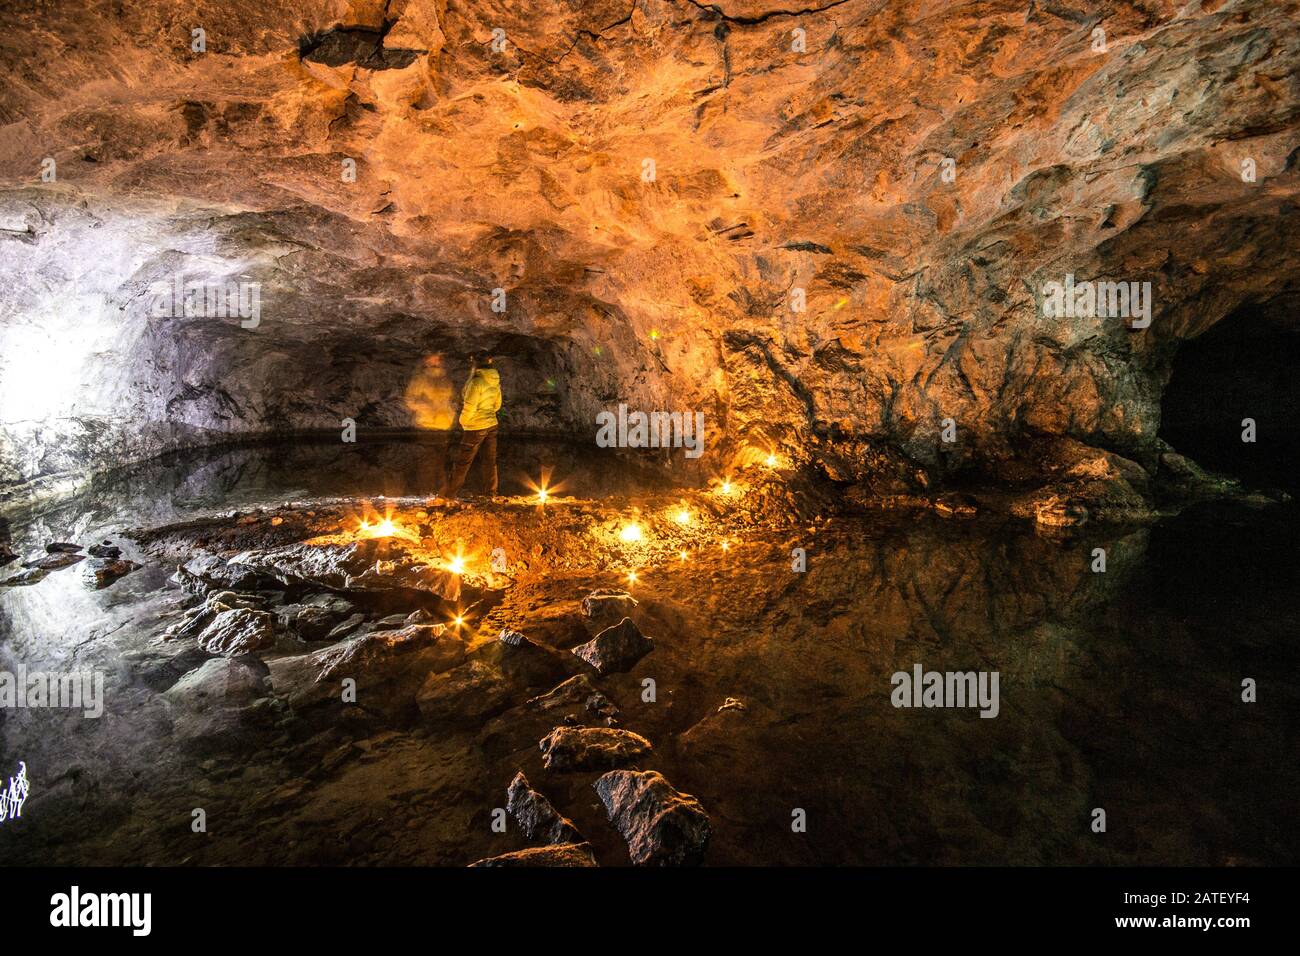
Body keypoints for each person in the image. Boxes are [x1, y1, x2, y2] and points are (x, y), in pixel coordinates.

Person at [442, 352, 502, 498]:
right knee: (489, 461)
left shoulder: (476, 382)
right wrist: (487, 414)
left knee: (463, 462)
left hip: (475, 427)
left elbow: (470, 406)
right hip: (492, 425)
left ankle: (449, 495)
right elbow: (497, 405)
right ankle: (491, 493)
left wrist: (463, 422)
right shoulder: (495, 380)